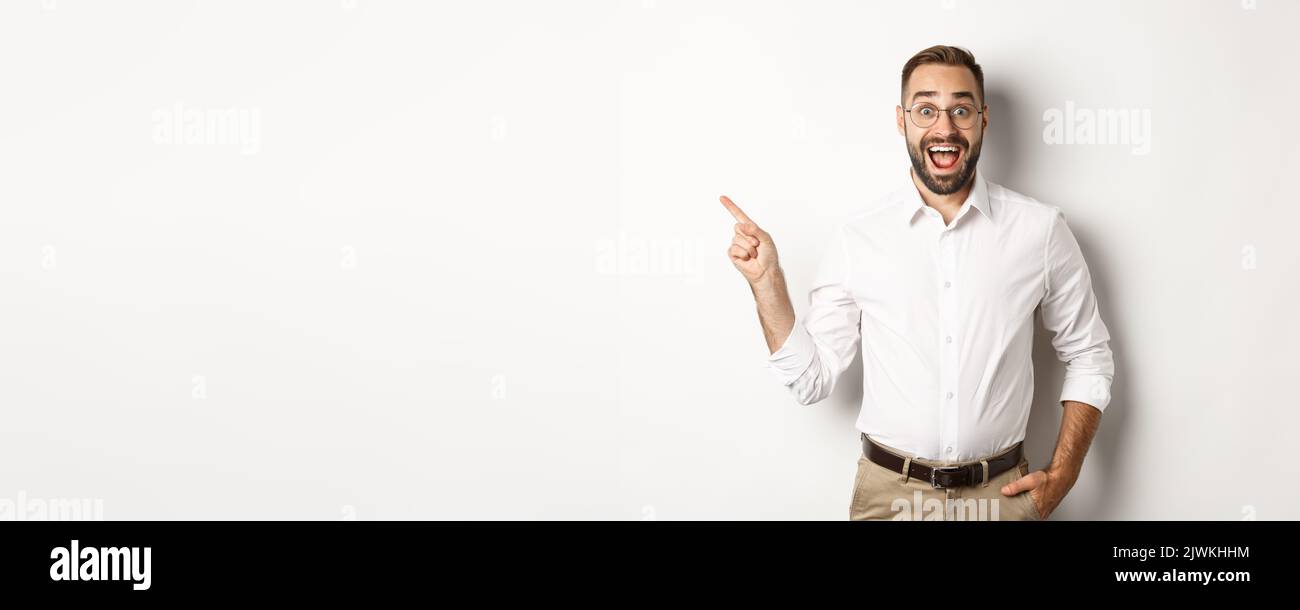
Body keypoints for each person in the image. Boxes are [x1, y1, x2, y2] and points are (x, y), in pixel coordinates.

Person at [719, 45, 1114, 521]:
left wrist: (1062, 476)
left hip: (1003, 500)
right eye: (926, 110)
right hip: (890, 499)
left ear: (983, 119)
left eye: (960, 110)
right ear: (902, 120)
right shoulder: (858, 238)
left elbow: (1088, 354)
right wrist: (767, 283)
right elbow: (811, 381)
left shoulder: (1041, 230)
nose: (944, 129)